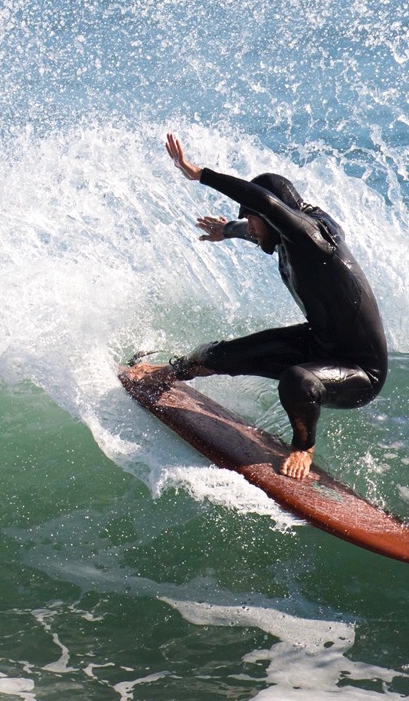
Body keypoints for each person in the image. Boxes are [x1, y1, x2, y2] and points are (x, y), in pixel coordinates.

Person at [131, 134, 388, 481]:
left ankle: (303, 447)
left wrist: (200, 174)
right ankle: (168, 373)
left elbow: (265, 206)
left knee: (298, 382)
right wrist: (229, 229)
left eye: (252, 219)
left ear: (274, 214)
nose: (252, 227)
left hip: (360, 371)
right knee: (217, 354)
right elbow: (262, 226)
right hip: (320, 343)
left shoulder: (314, 238)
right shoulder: (288, 237)